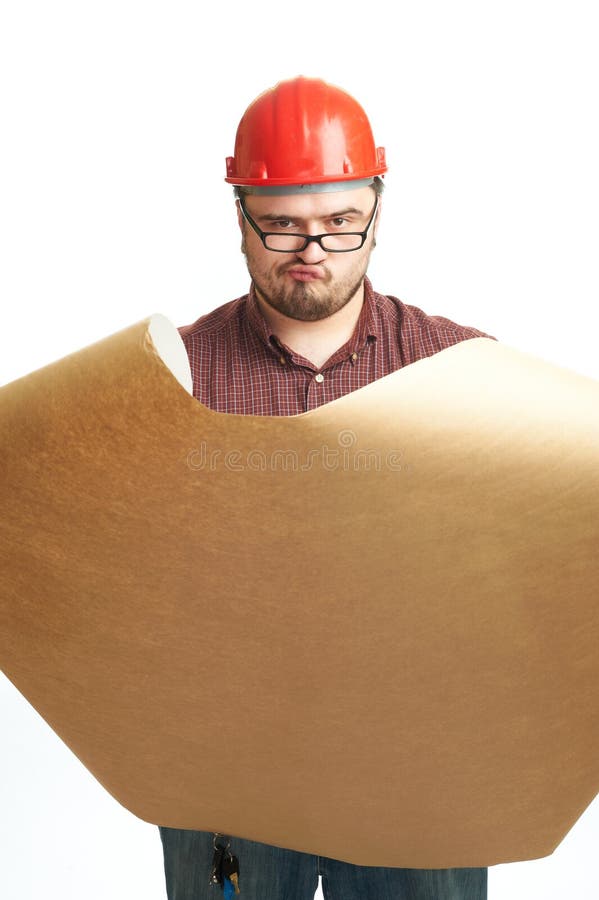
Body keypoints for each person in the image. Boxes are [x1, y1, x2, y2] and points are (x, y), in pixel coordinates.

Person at [158, 75, 493, 900]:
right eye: (282, 224)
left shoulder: (464, 369)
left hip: (418, 759)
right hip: (228, 767)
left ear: (376, 214)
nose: (313, 249)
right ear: (240, 217)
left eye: (340, 222)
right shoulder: (170, 378)